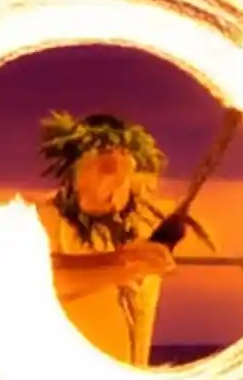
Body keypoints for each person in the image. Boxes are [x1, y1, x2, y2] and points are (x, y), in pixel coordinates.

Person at [36, 110, 191, 366]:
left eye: (127, 170)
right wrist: (122, 264)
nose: (119, 181)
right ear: (74, 170)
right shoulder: (39, 220)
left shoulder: (133, 230)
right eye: (106, 168)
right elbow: (33, 280)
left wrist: (158, 248)